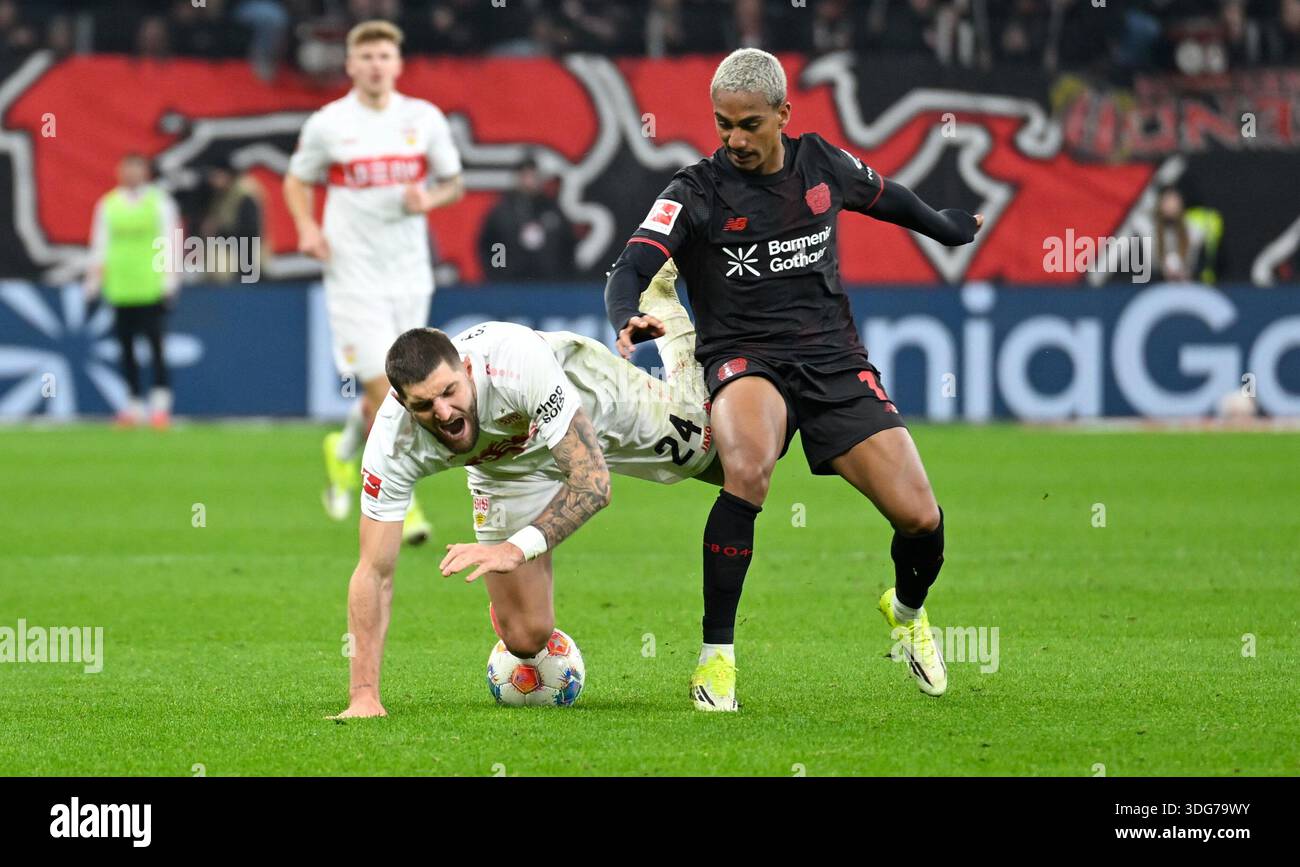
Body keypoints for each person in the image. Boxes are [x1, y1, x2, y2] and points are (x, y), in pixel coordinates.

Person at [604, 48, 983, 711]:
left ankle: (906, 607)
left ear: (784, 113)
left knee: (921, 517)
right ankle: (716, 658)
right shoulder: (694, 192)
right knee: (747, 471)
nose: (735, 139)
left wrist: (947, 229)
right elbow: (629, 267)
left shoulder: (821, 164)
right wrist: (626, 315)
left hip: (834, 361)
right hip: (744, 357)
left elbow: (889, 197)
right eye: (723, 124)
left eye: (750, 124)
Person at [332, 267, 722, 718]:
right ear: (402, 403)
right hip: (504, 469)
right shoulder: (391, 443)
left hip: (598, 404)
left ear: (468, 369)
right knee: (525, 636)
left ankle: (672, 326)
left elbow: (593, 485)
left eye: (450, 392)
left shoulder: (513, 361)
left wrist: (514, 552)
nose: (444, 412)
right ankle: (516, 613)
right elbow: (374, 571)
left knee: (725, 464)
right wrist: (363, 695)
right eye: (424, 404)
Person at [283, 19, 465, 546]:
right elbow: (297, 179)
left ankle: (342, 452)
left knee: (394, 394)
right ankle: (404, 503)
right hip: (352, 272)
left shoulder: (423, 119)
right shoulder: (329, 123)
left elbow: (453, 182)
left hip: (409, 272)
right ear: (350, 65)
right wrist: (307, 227)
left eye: (384, 55)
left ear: (397, 63)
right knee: (388, 391)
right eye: (366, 57)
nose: (375, 65)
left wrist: (428, 200)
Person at [85, 153, 181, 429]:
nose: (132, 175)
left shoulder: (159, 202)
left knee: (156, 346)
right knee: (125, 349)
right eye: (127, 169)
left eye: (137, 169)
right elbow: (99, 244)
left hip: (150, 285)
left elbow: (170, 240)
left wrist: (169, 280)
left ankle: (160, 407)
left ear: (146, 172)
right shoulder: (108, 204)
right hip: (121, 286)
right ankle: (133, 405)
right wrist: (93, 282)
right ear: (119, 172)